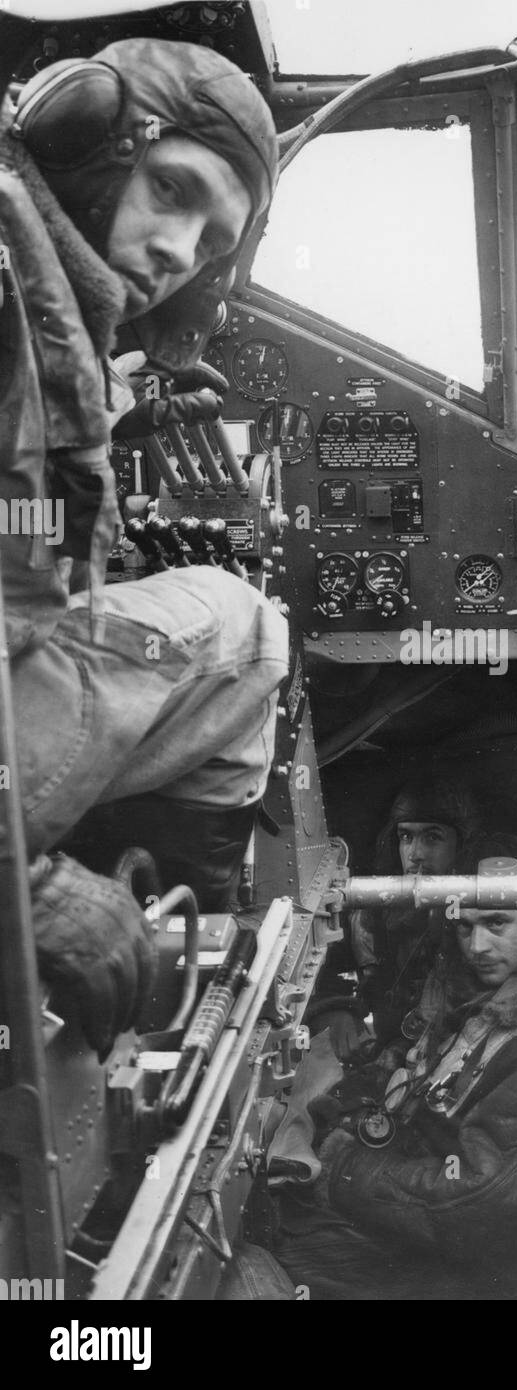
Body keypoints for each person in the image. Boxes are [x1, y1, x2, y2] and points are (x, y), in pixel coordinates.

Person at [0, 39, 286, 1053]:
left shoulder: (36, 288)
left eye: (210, 243)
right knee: (246, 630)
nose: (177, 249)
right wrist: (22, 890)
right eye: (172, 191)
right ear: (84, 131)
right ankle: (184, 987)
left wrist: (114, 421)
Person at [254, 844, 517, 1301]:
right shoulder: (495, 1003)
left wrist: (343, 1168)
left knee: (264, 1259)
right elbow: (418, 1080)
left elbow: (486, 1206)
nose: (477, 947)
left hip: (500, 1269)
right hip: (429, 1223)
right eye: (465, 927)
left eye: (497, 924)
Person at [309, 774, 483, 1060]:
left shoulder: (480, 913)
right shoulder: (372, 912)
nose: (415, 854)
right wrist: (333, 1007)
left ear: (460, 844)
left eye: (433, 837)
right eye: (406, 837)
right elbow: (320, 962)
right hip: (390, 1056)